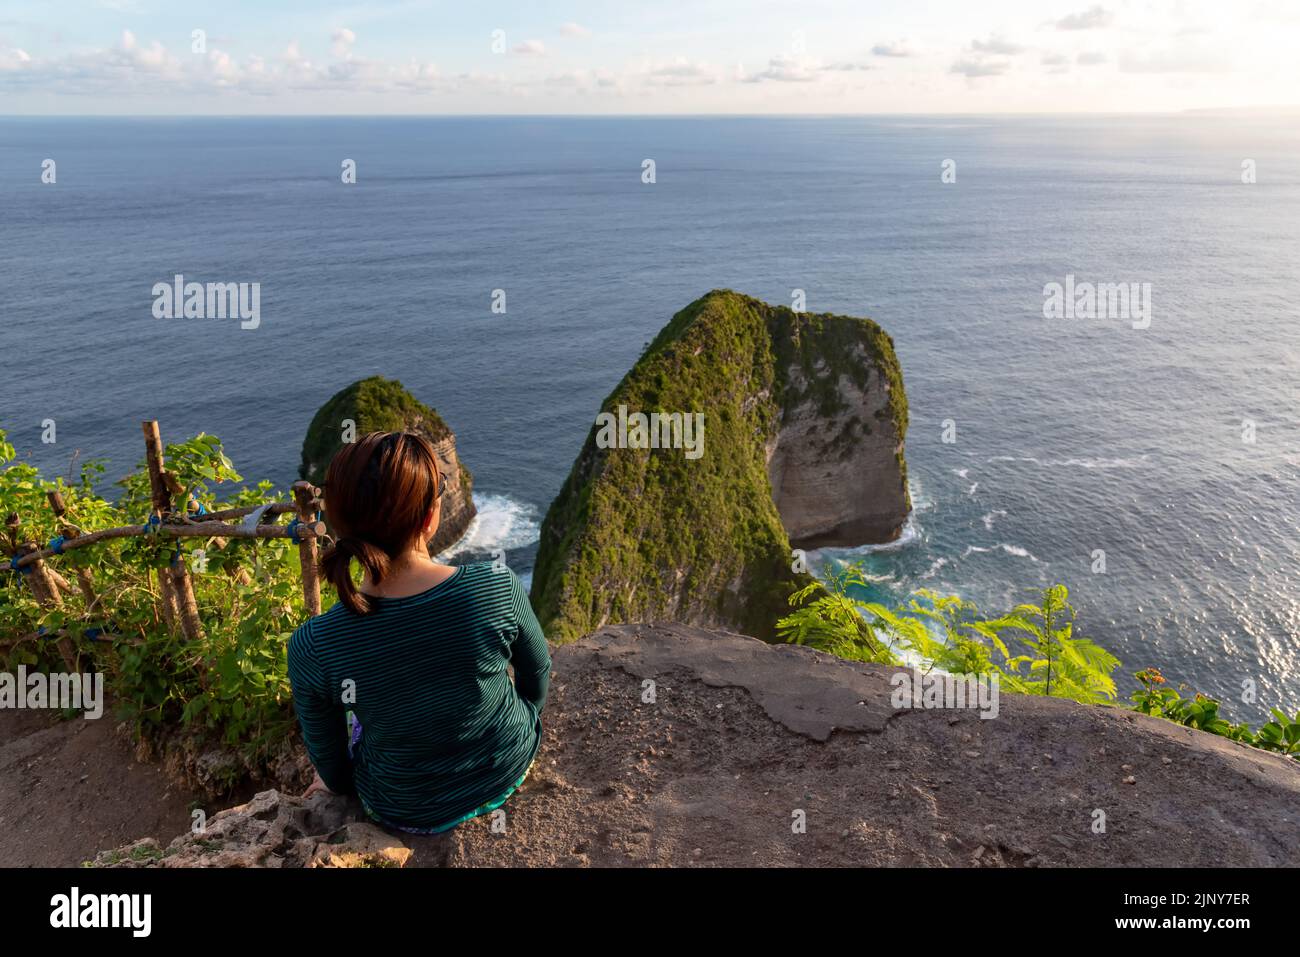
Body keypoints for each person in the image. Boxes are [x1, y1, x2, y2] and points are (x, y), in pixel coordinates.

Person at [287, 430, 550, 834]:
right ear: (430, 517)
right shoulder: (496, 587)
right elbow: (536, 677)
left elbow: (335, 770)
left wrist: (336, 781)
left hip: (402, 805)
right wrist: (524, 721)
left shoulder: (313, 645)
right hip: (507, 764)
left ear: (336, 525)